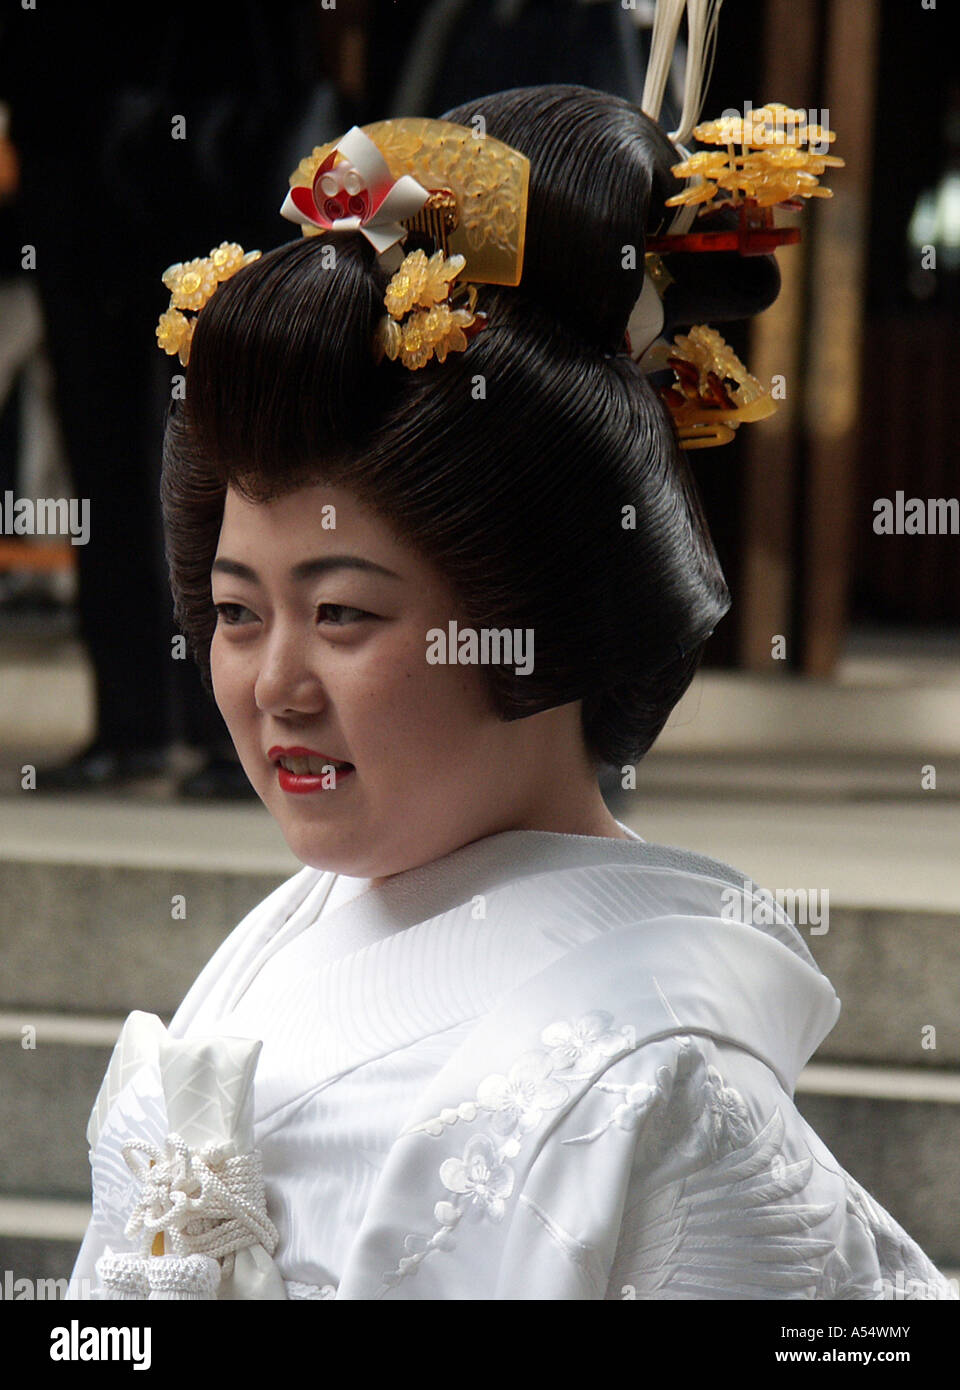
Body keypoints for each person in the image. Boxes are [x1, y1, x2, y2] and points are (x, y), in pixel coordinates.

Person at [68, 85, 955, 1302]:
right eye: (235, 611)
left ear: (538, 619)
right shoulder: (293, 930)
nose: (274, 682)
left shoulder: (655, 1084)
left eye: (342, 614)